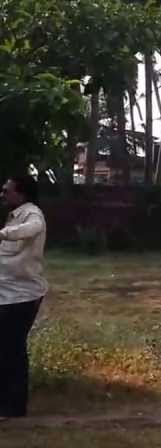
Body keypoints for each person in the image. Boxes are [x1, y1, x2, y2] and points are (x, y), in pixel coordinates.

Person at [0, 175, 47, 420]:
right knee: (6, 349)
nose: (2, 194)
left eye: (7, 190)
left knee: (12, 350)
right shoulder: (15, 215)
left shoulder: (32, 214)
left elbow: (33, 229)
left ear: (22, 193)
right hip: (7, 294)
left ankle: (14, 409)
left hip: (23, 296)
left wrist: (4, 234)